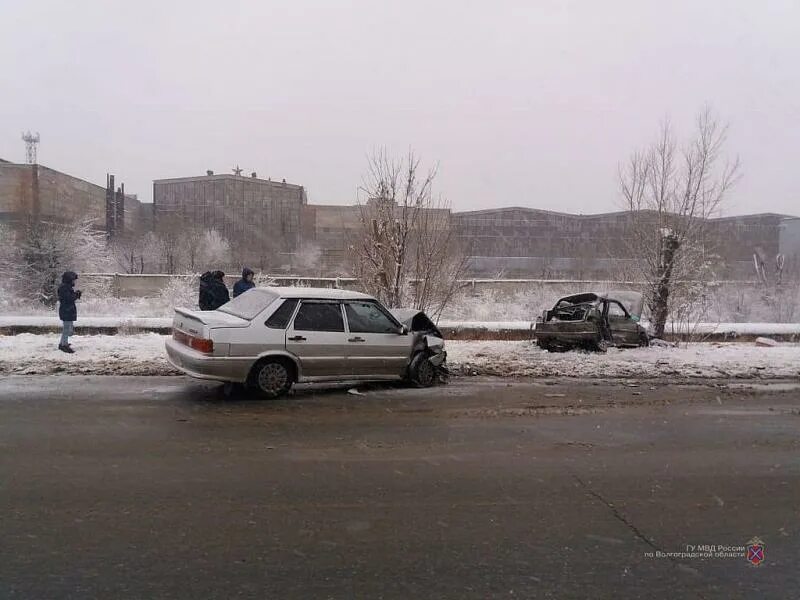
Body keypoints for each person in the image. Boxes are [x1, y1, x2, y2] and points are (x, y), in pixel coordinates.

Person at [57, 271, 81, 353]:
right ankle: (64, 345)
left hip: (67, 310)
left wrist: (75, 294)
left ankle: (63, 343)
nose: (74, 282)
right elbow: (68, 298)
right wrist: (76, 295)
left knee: (68, 328)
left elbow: (69, 297)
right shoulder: (64, 288)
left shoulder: (66, 287)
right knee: (67, 329)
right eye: (73, 280)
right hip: (66, 311)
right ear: (69, 280)